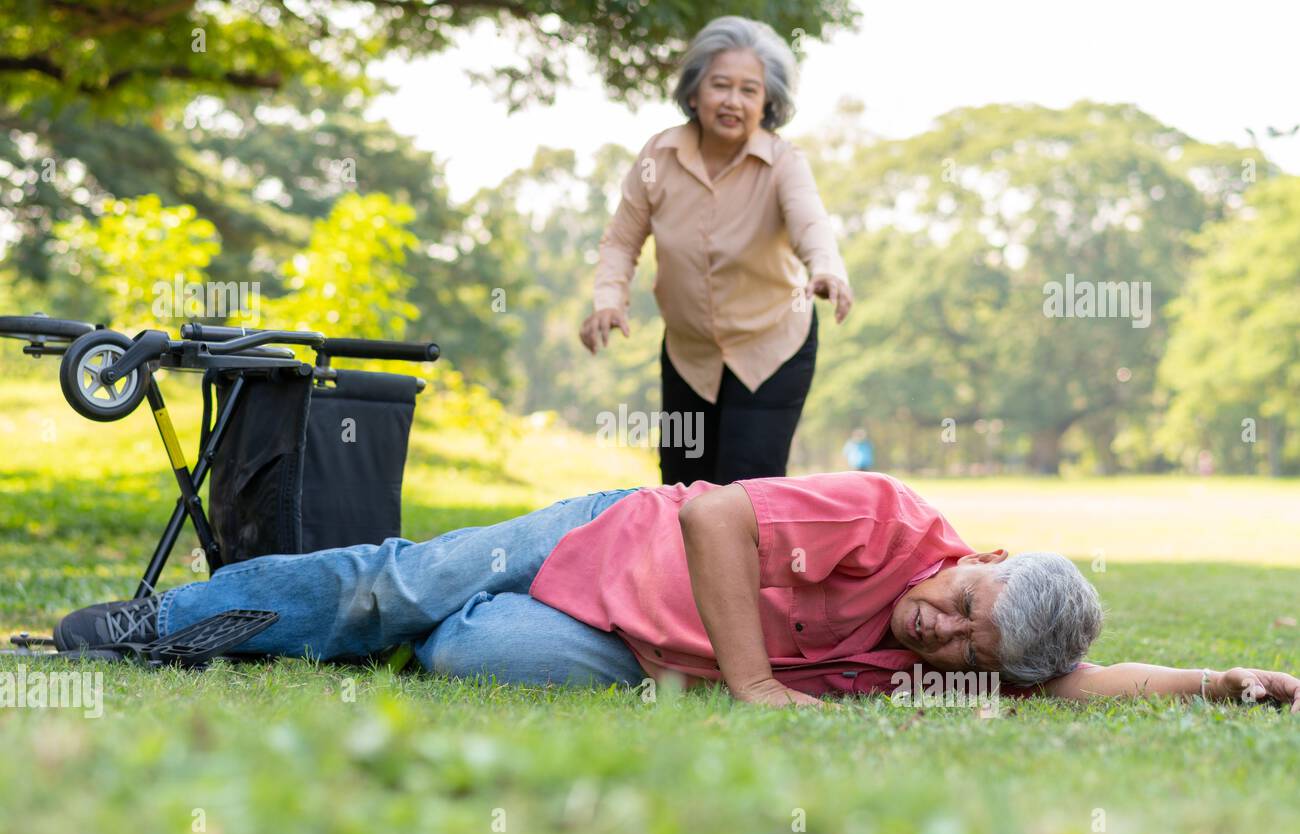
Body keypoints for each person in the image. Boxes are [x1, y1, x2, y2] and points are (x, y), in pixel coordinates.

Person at [55, 472, 1300, 712]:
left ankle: (410, 639)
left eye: (961, 646)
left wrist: (1219, 680)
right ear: (981, 560)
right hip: (618, 536)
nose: (939, 628)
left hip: (630, 645)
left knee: (461, 661)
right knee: (399, 586)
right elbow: (713, 510)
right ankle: (160, 624)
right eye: (960, 606)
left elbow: (1074, 680)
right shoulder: (891, 518)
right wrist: (750, 678)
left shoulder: (972, 659)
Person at [581, 15, 853, 485]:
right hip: (690, 353)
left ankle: (748, 563)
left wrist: (827, 269)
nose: (733, 100)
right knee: (681, 486)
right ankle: (684, 564)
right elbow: (622, 241)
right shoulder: (657, 158)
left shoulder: (782, 162)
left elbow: (810, 221)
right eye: (720, 85)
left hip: (772, 349)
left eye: (749, 90)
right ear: (693, 93)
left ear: (767, 102)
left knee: (746, 489)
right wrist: (607, 301)